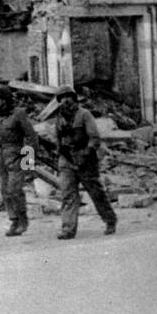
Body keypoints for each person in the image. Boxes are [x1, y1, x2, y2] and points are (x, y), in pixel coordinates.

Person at [54, 86, 118, 239]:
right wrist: (59, 155)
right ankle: (68, 229)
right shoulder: (59, 118)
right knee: (68, 195)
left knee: (96, 193)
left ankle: (110, 220)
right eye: (62, 99)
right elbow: (58, 139)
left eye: (68, 97)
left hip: (85, 159)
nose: (65, 101)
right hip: (67, 160)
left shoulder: (84, 115)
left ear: (74, 99)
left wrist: (86, 153)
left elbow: (94, 137)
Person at [0, 86, 39, 237]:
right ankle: (14, 221)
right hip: (2, 158)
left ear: (5, 100)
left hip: (17, 155)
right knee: (5, 191)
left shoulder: (18, 114)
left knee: (15, 190)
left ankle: (23, 220)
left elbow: (31, 138)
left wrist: (29, 163)